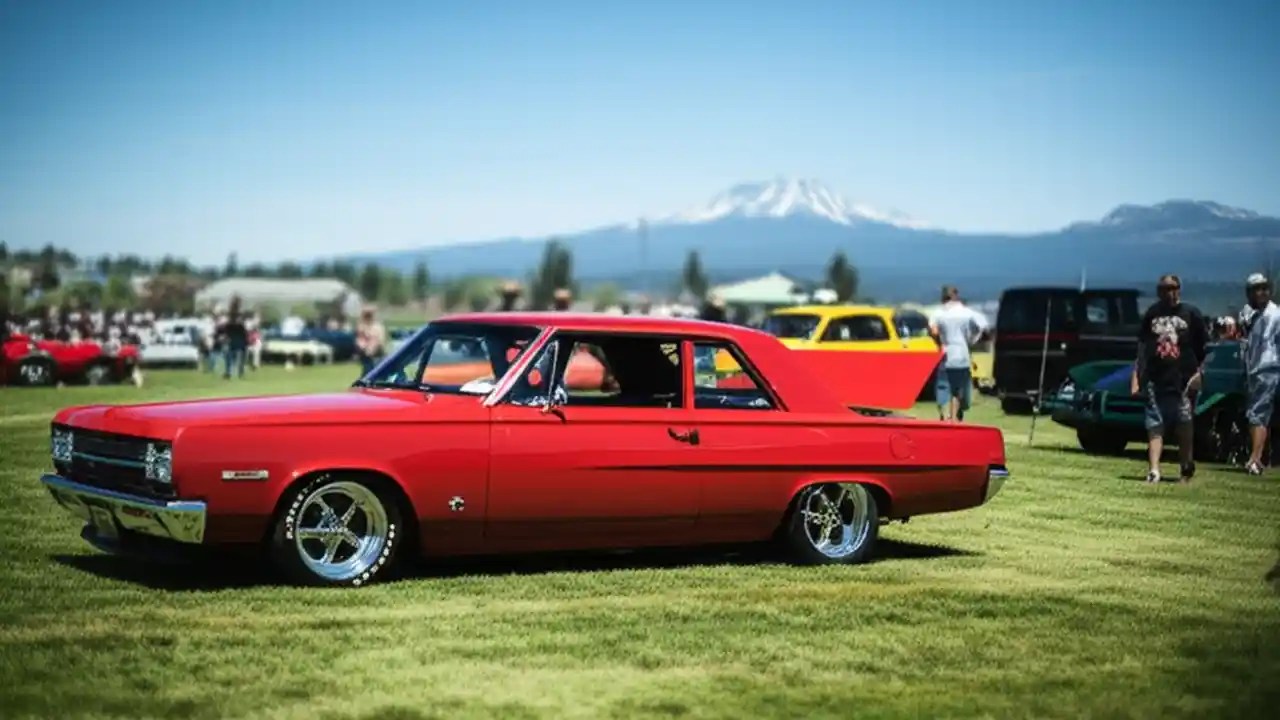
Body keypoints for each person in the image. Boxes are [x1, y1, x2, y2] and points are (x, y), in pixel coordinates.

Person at [1129, 274, 1208, 483]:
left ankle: (1186, 466)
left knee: (1184, 424)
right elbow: (1143, 347)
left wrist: (1200, 373)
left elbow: (1205, 348)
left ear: (1179, 289)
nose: (1169, 292)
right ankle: (1154, 470)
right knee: (1154, 424)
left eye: (1173, 288)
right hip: (1156, 376)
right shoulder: (1152, 314)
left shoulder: (1191, 314)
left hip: (1183, 377)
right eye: (1164, 289)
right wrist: (1137, 376)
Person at [1238, 273, 1280, 475]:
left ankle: (1254, 460)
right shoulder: (1253, 315)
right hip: (1255, 371)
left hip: (1268, 370)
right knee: (1259, 415)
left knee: (1257, 415)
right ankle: (1259, 458)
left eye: (1264, 288)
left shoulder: (1275, 315)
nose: (1260, 292)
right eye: (1256, 289)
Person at [928, 285, 988, 421]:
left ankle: (944, 415)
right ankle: (955, 417)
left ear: (943, 297)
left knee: (943, 387)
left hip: (945, 354)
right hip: (962, 355)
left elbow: (934, 331)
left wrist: (939, 343)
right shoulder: (967, 312)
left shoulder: (938, 313)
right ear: (956, 295)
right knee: (959, 390)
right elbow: (983, 327)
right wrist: (974, 340)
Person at [355, 307, 387, 375]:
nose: (368, 318)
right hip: (366, 354)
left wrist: (371, 348)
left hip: (376, 353)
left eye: (369, 315)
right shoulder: (361, 326)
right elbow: (360, 340)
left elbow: (380, 341)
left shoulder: (378, 326)